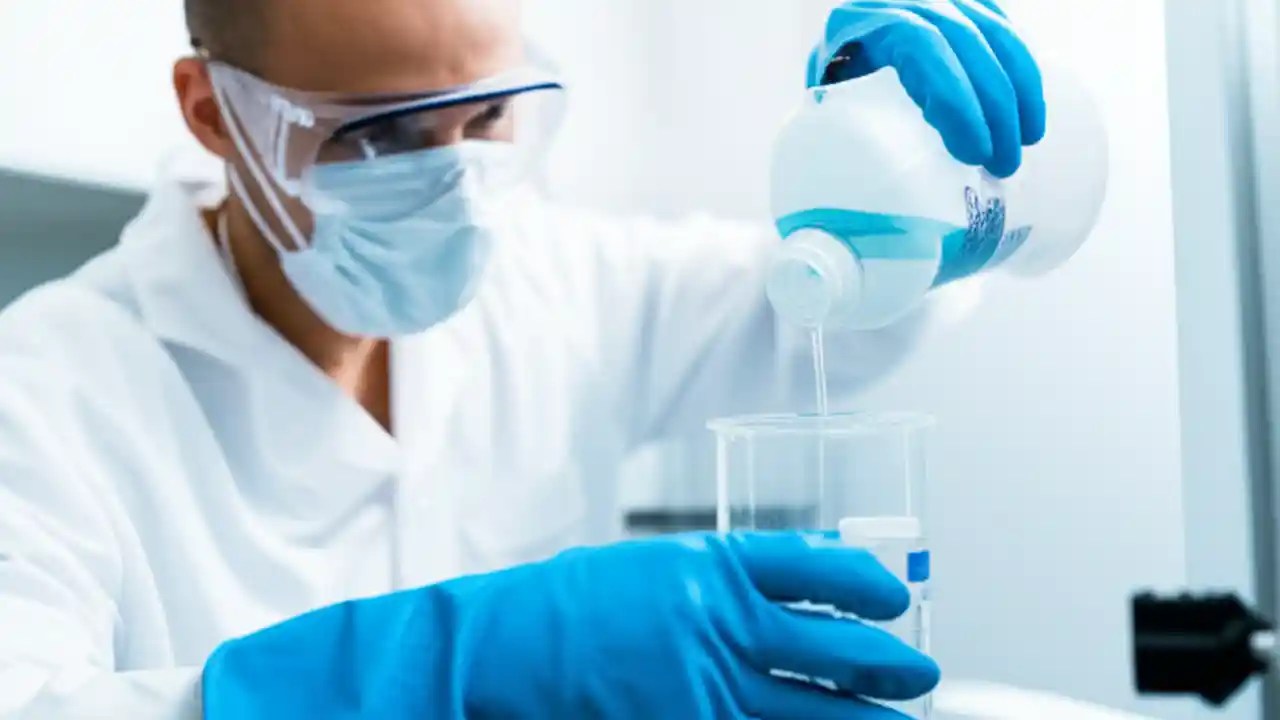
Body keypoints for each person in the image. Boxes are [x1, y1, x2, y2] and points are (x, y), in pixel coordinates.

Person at [0, 0, 1045, 717]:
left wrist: (911, 152)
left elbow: (843, 309)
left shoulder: (556, 280)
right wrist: (447, 668)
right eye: (379, 137)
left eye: (489, 115)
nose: (454, 186)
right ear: (212, 111)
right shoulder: (44, 392)